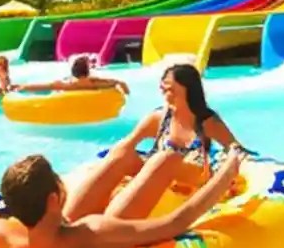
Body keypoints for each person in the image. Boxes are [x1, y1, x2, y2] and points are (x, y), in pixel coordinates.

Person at [0, 147, 246, 248]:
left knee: (121, 157)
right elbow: (176, 224)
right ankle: (209, 173)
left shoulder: (3, 236)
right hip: (76, 237)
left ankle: (132, 163)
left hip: (54, 230)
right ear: (53, 199)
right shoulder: (93, 231)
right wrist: (224, 175)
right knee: (164, 161)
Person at [61, 63, 241, 221]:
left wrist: (229, 178)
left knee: (165, 159)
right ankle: (71, 220)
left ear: (187, 89)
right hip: (157, 176)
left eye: (170, 88)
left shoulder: (207, 122)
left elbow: (236, 150)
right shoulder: (159, 118)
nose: (164, 92)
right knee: (123, 154)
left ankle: (107, 228)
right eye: (163, 88)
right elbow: (127, 145)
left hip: (190, 181)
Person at [13, 55, 131, 95]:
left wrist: (22, 87)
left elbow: (45, 86)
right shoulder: (94, 82)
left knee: (47, 86)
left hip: (68, 87)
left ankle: (19, 87)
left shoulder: (68, 83)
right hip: (87, 88)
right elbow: (120, 82)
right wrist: (126, 94)